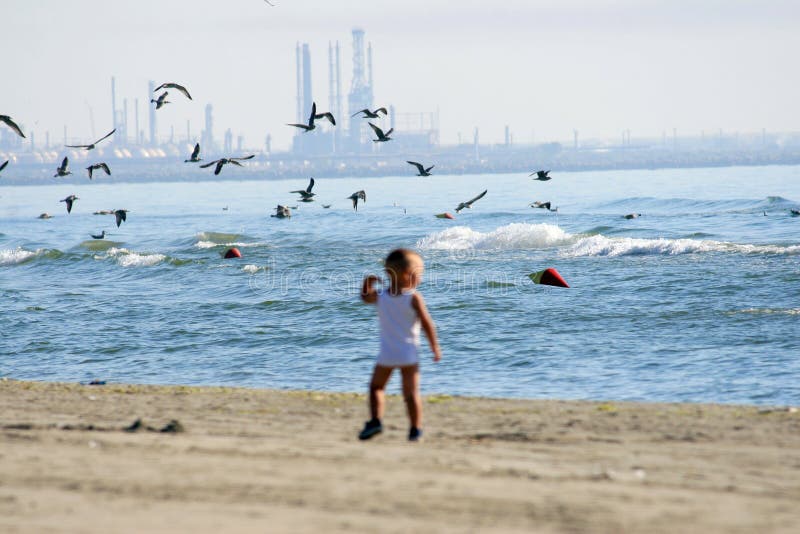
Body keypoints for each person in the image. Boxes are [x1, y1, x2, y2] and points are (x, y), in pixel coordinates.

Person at [359, 248, 442, 442]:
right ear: (407, 275)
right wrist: (435, 347)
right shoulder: (413, 297)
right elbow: (426, 323)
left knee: (376, 387)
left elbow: (365, 297)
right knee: (411, 394)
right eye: (419, 274)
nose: (421, 278)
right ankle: (415, 430)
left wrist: (367, 282)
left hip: (387, 354)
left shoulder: (382, 296)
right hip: (408, 354)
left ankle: (375, 420)